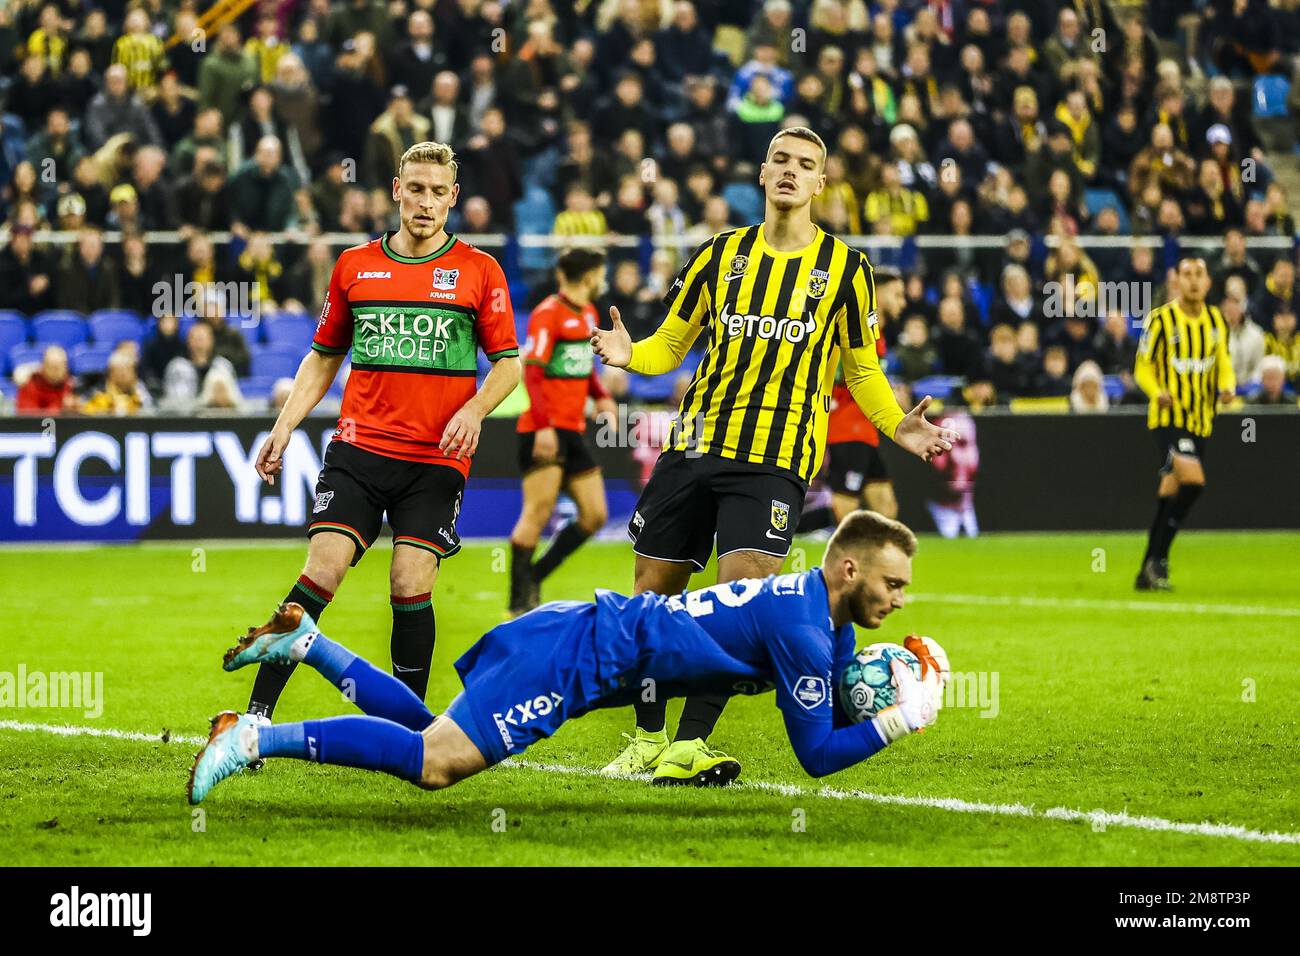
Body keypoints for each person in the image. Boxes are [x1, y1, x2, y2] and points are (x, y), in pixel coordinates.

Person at [590, 126, 958, 785]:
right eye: (781, 160)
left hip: (776, 457)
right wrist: (630, 355)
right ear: (763, 174)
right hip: (694, 446)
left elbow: (862, 370)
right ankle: (646, 738)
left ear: (821, 184)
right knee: (650, 598)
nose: (791, 172)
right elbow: (669, 347)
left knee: (742, 598)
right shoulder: (718, 256)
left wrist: (899, 425)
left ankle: (688, 744)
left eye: (806, 165)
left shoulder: (848, 269)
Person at [188, 511, 948, 803]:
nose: (900, 598)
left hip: (583, 632)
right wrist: (900, 719)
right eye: (893, 583)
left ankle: (308, 643)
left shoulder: (815, 610)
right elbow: (815, 754)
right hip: (582, 657)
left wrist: (904, 666)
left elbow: (842, 677)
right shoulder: (807, 634)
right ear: (849, 570)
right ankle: (253, 737)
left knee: (429, 728)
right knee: (436, 763)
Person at [243, 141, 521, 728]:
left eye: (437, 192)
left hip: (434, 459)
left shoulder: (479, 271)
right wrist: (284, 426)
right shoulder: (353, 267)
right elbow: (322, 357)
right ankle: (257, 715)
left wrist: (473, 411)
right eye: (414, 189)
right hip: (359, 450)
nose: (425, 203)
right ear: (396, 190)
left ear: (454, 198)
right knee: (323, 570)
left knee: (409, 580)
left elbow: (509, 364)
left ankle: (408, 726)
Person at [508, 248, 616, 615]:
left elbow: (583, 368)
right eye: (600, 274)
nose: (602, 280)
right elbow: (533, 372)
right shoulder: (547, 314)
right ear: (589, 277)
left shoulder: (588, 313)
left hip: (572, 430)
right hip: (544, 429)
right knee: (536, 516)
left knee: (594, 515)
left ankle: (535, 576)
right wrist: (542, 427)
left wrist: (601, 397)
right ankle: (517, 603)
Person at [1133, 257, 1235, 592]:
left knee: (1170, 492)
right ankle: (1159, 560)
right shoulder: (1160, 320)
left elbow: (1223, 362)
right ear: (1176, 280)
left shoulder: (1217, 321)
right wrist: (1155, 391)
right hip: (1168, 419)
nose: (1193, 281)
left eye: (1199, 275)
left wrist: (1228, 385)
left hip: (1202, 420)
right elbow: (1143, 366)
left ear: (1208, 283)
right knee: (1193, 482)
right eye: (1186, 275)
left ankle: (1147, 569)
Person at [824, 267, 904, 521]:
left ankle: (880, 560)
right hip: (846, 428)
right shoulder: (853, 326)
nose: (902, 302)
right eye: (897, 294)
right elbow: (840, 373)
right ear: (877, 293)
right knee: (846, 504)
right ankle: (843, 557)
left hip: (866, 430)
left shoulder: (877, 332)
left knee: (886, 505)